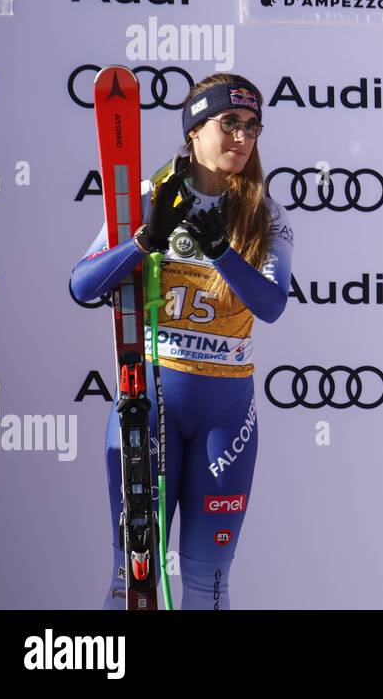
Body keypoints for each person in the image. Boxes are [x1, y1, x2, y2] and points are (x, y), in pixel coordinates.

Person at [71, 73, 293, 610]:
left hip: (226, 414)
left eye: (252, 127)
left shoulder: (266, 215)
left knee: (208, 582)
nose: (242, 138)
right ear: (195, 129)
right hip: (149, 400)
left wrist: (220, 249)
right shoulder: (145, 196)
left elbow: (271, 305)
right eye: (230, 124)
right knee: (134, 577)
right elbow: (82, 285)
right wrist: (144, 238)